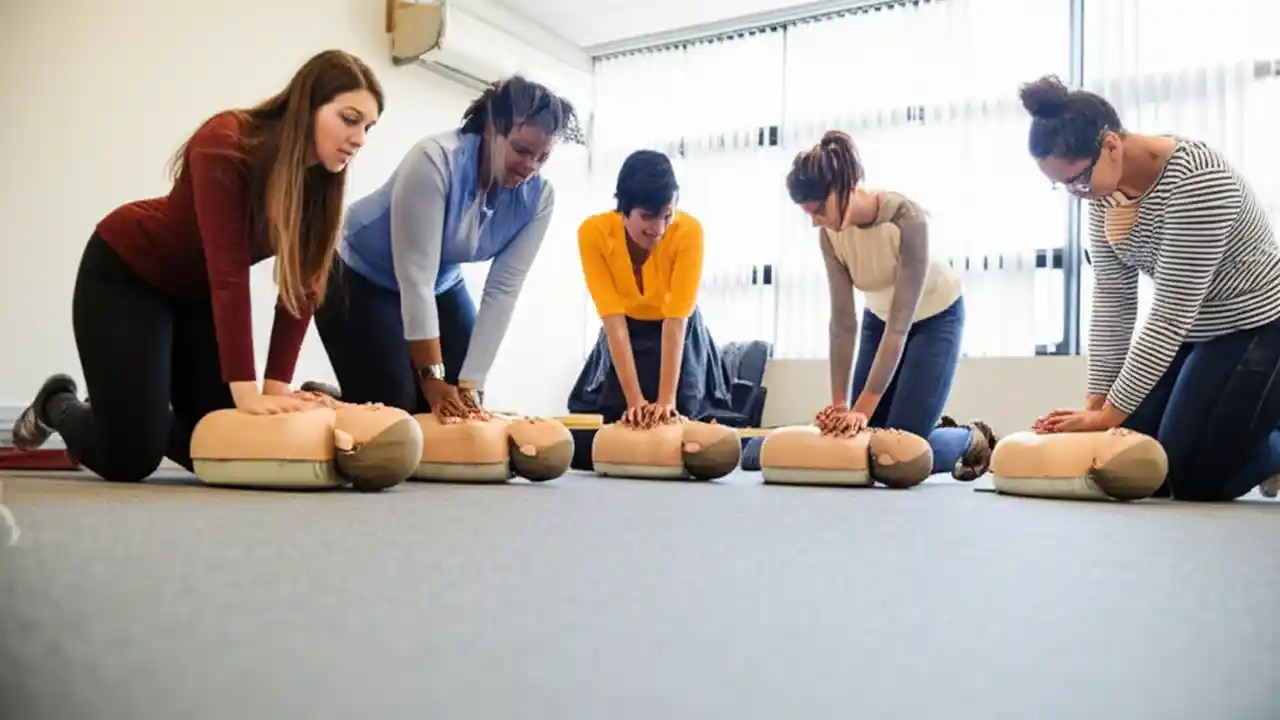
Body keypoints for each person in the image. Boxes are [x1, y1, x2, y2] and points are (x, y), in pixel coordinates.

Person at [8, 50, 385, 482]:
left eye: (368, 128)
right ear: (307, 106)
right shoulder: (226, 140)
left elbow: (300, 290)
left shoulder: (319, 186)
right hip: (127, 273)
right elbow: (228, 274)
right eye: (349, 119)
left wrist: (275, 392)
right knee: (130, 458)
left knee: (215, 447)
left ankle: (131, 410)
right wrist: (247, 395)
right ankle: (58, 401)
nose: (359, 139)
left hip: (194, 295)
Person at [1019, 75, 1280, 501]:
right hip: (1195, 329)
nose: (1076, 194)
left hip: (1257, 325)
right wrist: (1096, 406)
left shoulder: (1197, 181)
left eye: (1078, 180)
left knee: (1195, 480)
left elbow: (1170, 312)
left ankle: (1271, 441)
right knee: (1139, 460)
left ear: (1111, 145)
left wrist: (1107, 416)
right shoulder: (1101, 193)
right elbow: (1112, 298)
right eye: (1062, 185)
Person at [315, 75, 577, 420]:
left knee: (461, 405)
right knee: (400, 413)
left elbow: (503, 290)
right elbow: (415, 278)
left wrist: (471, 382)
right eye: (521, 150)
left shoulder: (539, 198)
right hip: (357, 275)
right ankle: (329, 400)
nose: (529, 167)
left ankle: (357, 393)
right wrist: (431, 376)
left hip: (441, 283)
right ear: (490, 129)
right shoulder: (435, 160)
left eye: (542, 158)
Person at [785, 131, 997, 481]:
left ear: (846, 185)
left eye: (819, 209)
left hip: (934, 317)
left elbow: (901, 325)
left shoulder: (907, 218)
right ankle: (922, 421)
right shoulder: (829, 235)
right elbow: (842, 322)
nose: (815, 221)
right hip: (878, 319)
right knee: (862, 442)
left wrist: (861, 411)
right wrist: (841, 406)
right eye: (808, 214)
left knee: (899, 451)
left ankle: (970, 438)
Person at [568, 150, 734, 428]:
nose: (658, 228)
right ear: (623, 210)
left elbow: (676, 319)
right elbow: (612, 319)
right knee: (622, 419)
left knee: (679, 418)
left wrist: (666, 401)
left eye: (666, 216)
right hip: (626, 333)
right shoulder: (593, 233)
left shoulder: (689, 232)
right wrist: (635, 400)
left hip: (679, 334)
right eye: (647, 217)